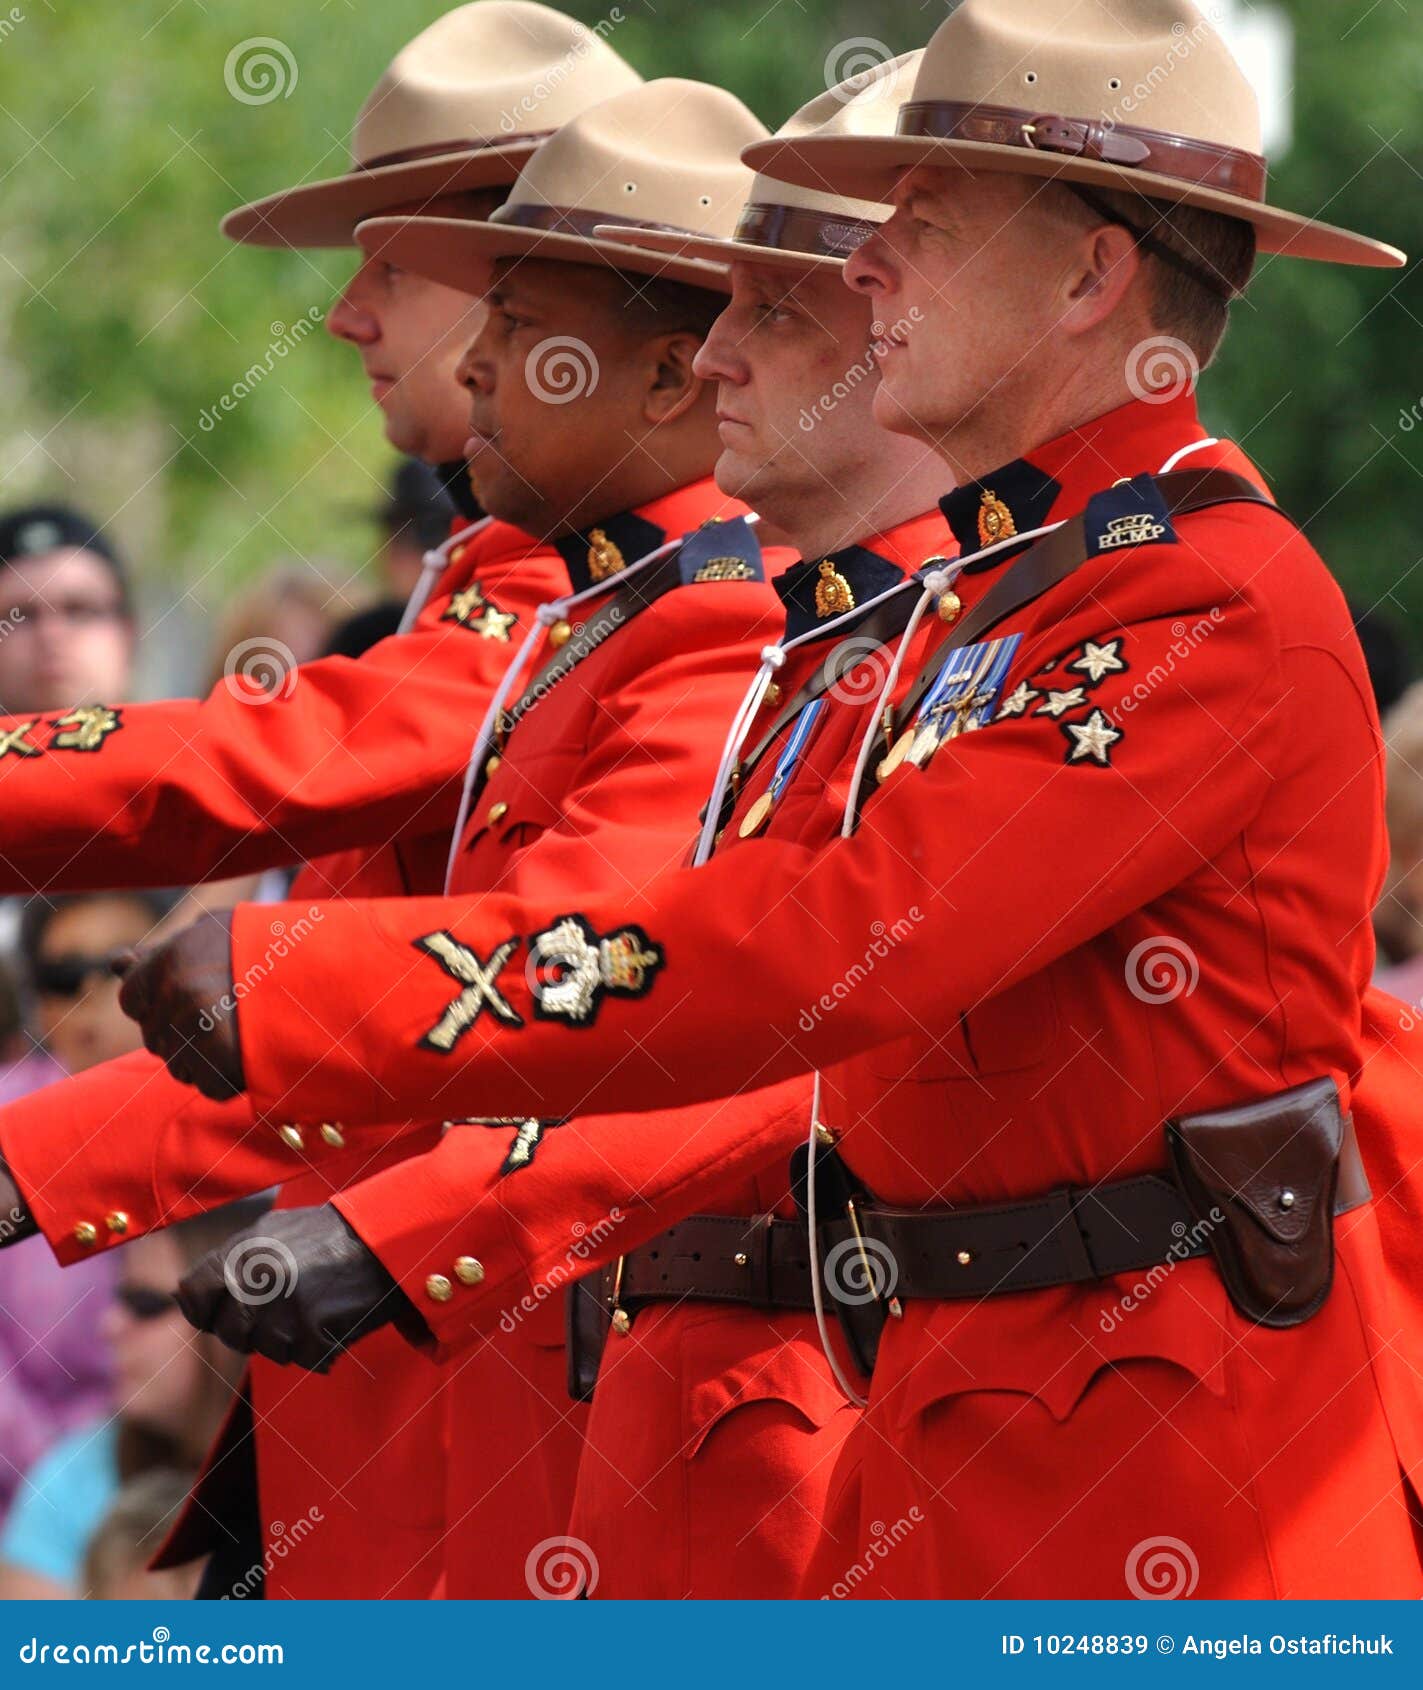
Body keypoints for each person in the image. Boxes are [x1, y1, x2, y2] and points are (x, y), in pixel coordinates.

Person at [132, 0, 1423, 1600]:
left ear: (1090, 279)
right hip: (973, 1423)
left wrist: (317, 989)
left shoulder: (1197, 603)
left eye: (924, 227)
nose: (867, 266)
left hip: (1160, 1467)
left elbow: (827, 944)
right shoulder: (1000, 601)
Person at [0, 1, 645, 1598]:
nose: (348, 317)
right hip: (400, 1428)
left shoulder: (649, 603)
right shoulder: (511, 577)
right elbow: (335, 1031)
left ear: (532, 276)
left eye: (389, 264)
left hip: (539, 1443)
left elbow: (273, 777)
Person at [0, 1202, 260, 1599]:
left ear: (237, 1317)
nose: (110, 1326)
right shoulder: (84, 1467)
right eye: (120, 1300)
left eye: (146, 1305)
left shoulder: (312, 1485)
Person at [0, 505, 135, 716]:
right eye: (21, 615)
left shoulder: (190, 745)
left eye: (79, 610)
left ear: (129, 634)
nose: (51, 635)